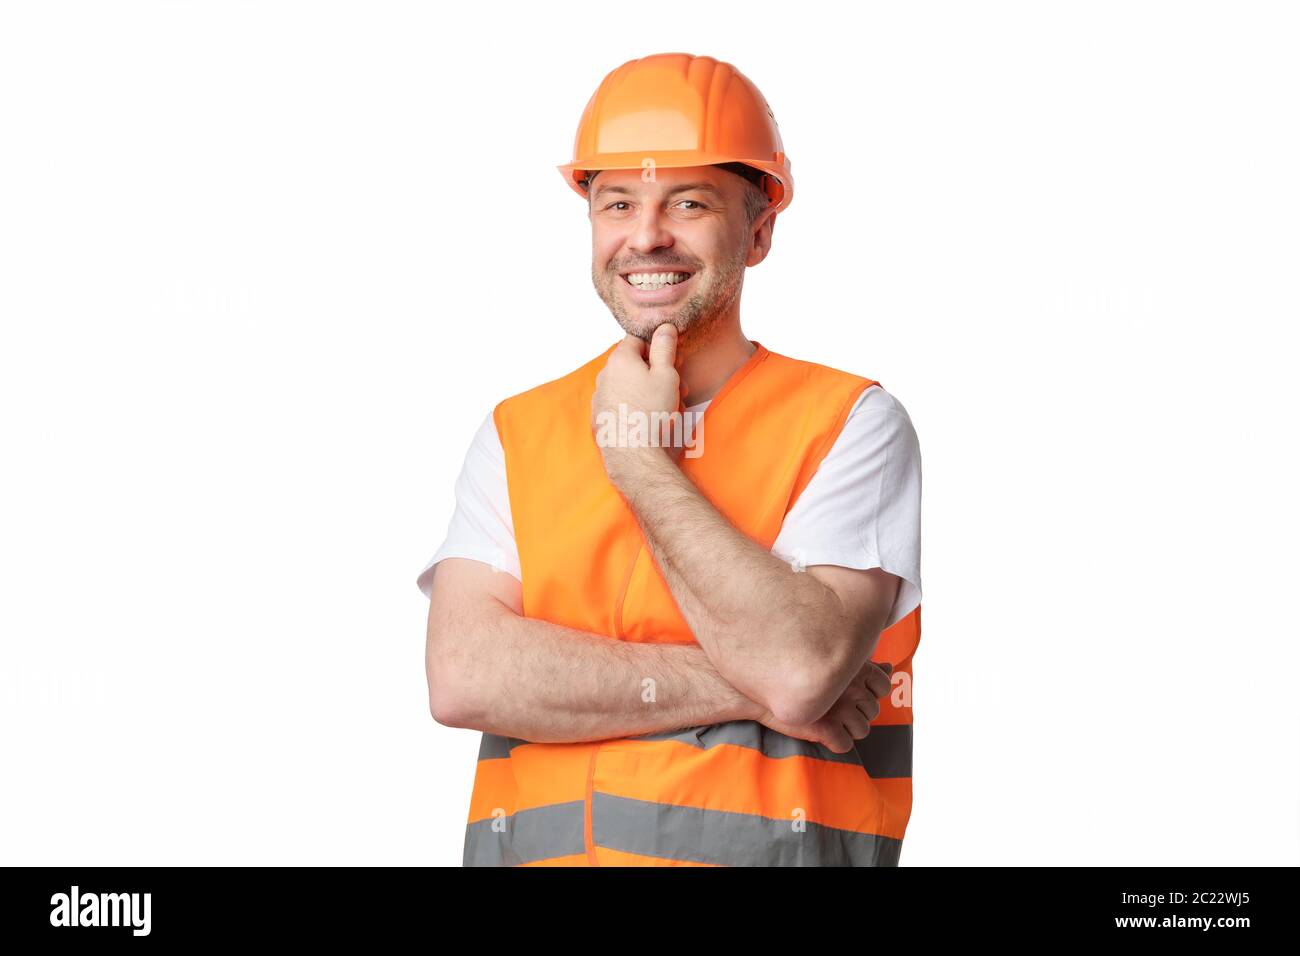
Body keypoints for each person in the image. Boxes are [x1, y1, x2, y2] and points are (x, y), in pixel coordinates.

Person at [416, 52, 922, 866]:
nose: (646, 235)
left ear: (758, 231)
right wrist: (754, 684)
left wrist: (641, 464)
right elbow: (464, 677)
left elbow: (798, 668)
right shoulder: (520, 431)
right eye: (618, 202)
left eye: (688, 202)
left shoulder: (851, 424)